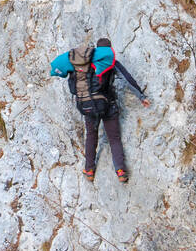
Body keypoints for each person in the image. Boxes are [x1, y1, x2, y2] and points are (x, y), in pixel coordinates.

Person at [51, 37, 149, 183]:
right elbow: (127, 78)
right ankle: (120, 171)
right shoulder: (109, 61)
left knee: (91, 135)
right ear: (108, 49)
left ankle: (89, 170)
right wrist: (141, 96)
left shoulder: (79, 63)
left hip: (86, 105)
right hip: (107, 104)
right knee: (114, 138)